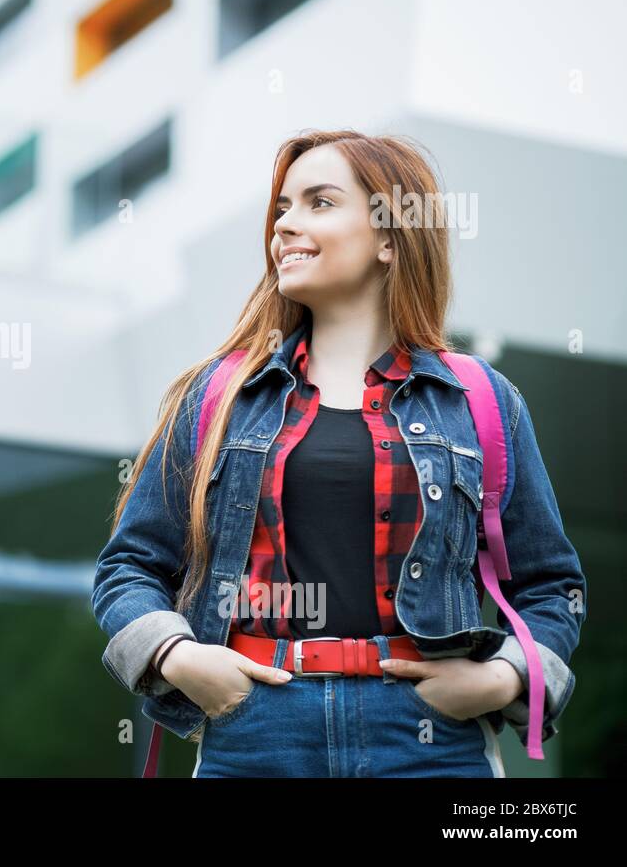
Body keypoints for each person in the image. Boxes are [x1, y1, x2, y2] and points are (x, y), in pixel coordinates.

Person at [91, 129, 586, 777]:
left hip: (431, 740)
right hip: (256, 731)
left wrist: (501, 679)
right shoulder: (218, 396)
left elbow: (552, 587)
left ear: (390, 238)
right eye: (282, 209)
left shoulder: (482, 401)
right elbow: (129, 566)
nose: (285, 225)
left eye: (319, 203)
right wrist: (179, 660)